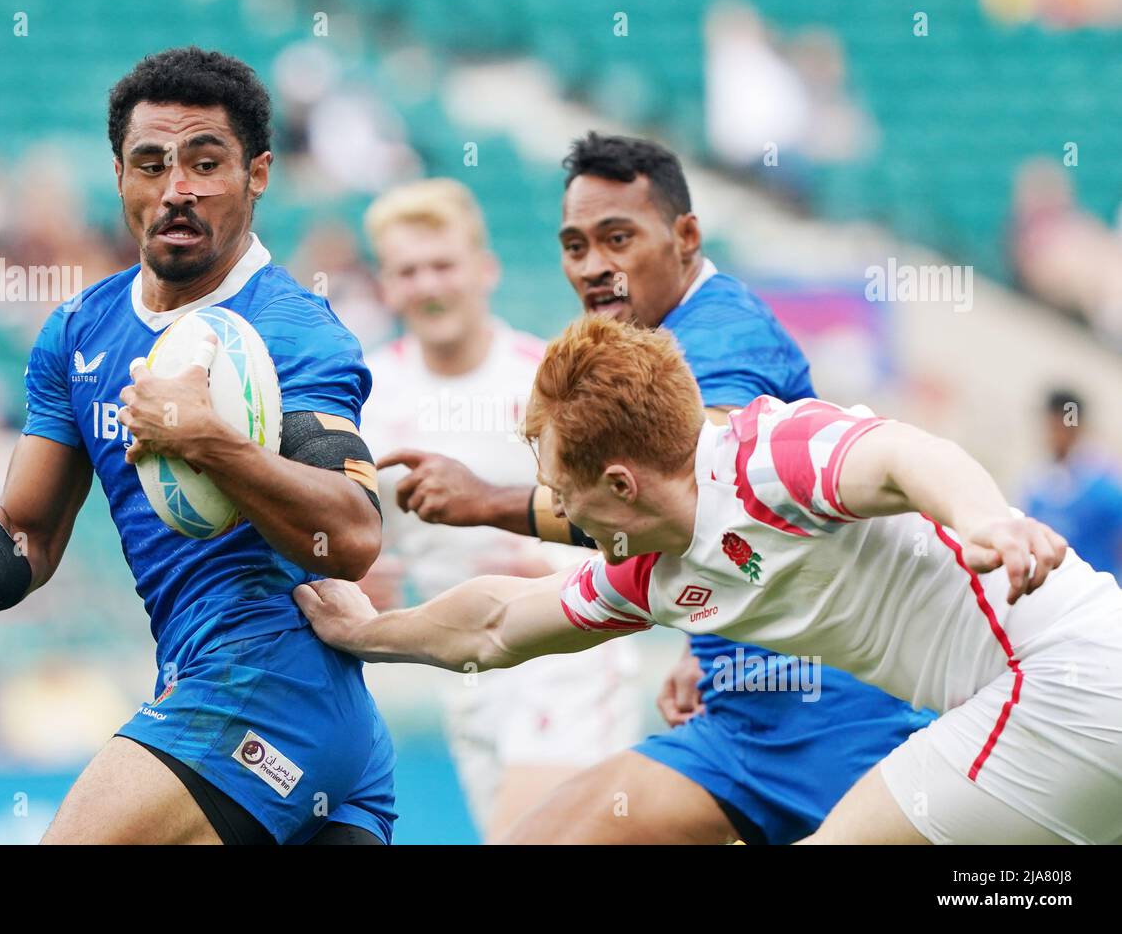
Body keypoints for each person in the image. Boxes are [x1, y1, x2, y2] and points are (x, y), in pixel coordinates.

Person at [297, 315, 1122, 844]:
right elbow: (496, 626)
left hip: (1057, 678)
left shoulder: (765, 459)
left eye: (561, 488)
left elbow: (908, 456)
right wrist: (366, 632)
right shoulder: (651, 567)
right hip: (1045, 711)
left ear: (620, 486)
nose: (551, 505)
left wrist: (984, 522)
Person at [0, 47, 395, 845]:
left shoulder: (297, 333)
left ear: (257, 174)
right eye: (150, 164)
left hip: (269, 692)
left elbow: (350, 535)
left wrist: (206, 438)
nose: (175, 188)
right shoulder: (79, 332)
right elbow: (28, 533)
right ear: (119, 177)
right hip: (280, 722)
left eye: (204, 162)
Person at [379, 133, 931, 844]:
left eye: (617, 238)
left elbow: (685, 499)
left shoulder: (720, 342)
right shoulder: (660, 339)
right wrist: (701, 641)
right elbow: (727, 539)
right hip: (739, 715)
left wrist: (488, 500)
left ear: (686, 236)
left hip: (832, 710)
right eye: (576, 246)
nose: (595, 267)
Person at [359, 178, 640, 841]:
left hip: (567, 648)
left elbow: (631, 523)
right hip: (463, 665)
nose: (429, 285)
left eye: (444, 264)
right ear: (385, 286)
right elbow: (341, 532)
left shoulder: (550, 378)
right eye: (408, 270)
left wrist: (544, 548)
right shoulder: (365, 394)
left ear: (486, 269)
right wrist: (354, 569)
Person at [1022, 388, 1122, 577]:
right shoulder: (1036, 483)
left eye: (1062, 426)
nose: (1054, 434)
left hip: (1094, 594)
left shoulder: (1106, 487)